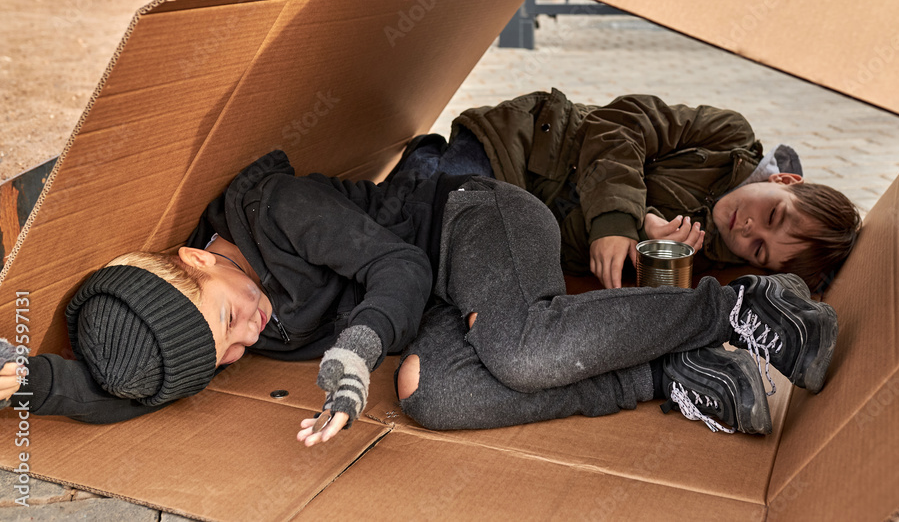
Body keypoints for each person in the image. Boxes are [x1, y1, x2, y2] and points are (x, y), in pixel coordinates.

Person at [0, 150, 838, 443]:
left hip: (468, 224)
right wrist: (37, 383)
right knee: (427, 396)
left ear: (196, 258)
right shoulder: (203, 323)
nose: (239, 345)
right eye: (223, 355)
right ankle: (673, 376)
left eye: (225, 323)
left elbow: (396, 268)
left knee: (518, 347)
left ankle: (742, 307)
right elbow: (140, 391)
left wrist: (355, 349)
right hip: (443, 311)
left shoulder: (275, 212)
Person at [390, 89, 861, 291]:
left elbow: (567, 248)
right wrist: (617, 220)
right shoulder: (729, 138)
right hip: (526, 146)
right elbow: (622, 125)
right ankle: (426, 162)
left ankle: (421, 177)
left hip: (517, 210)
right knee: (417, 220)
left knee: (422, 264)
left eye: (758, 250)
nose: (749, 228)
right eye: (774, 215)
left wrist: (640, 245)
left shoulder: (691, 259)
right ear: (785, 181)